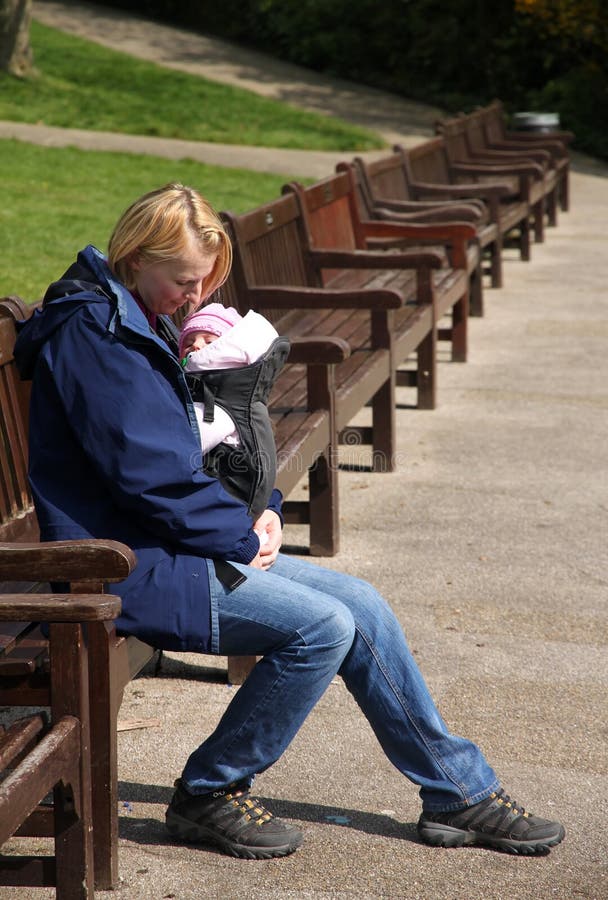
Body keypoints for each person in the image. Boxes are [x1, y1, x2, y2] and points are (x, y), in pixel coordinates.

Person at [14, 182, 565, 861]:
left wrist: (264, 512)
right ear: (135, 256)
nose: (193, 300)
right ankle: (210, 792)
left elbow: (201, 445)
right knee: (320, 627)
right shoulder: (96, 335)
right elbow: (151, 477)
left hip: (165, 543)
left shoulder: (137, 318)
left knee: (361, 603)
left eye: (203, 284)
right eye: (184, 282)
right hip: (117, 563)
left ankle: (457, 790)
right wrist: (243, 536)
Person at [177, 303, 290, 525]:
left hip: (226, 509)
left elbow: (183, 445)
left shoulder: (219, 408)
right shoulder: (235, 398)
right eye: (189, 341)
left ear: (231, 351)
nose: (196, 346)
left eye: (210, 342)